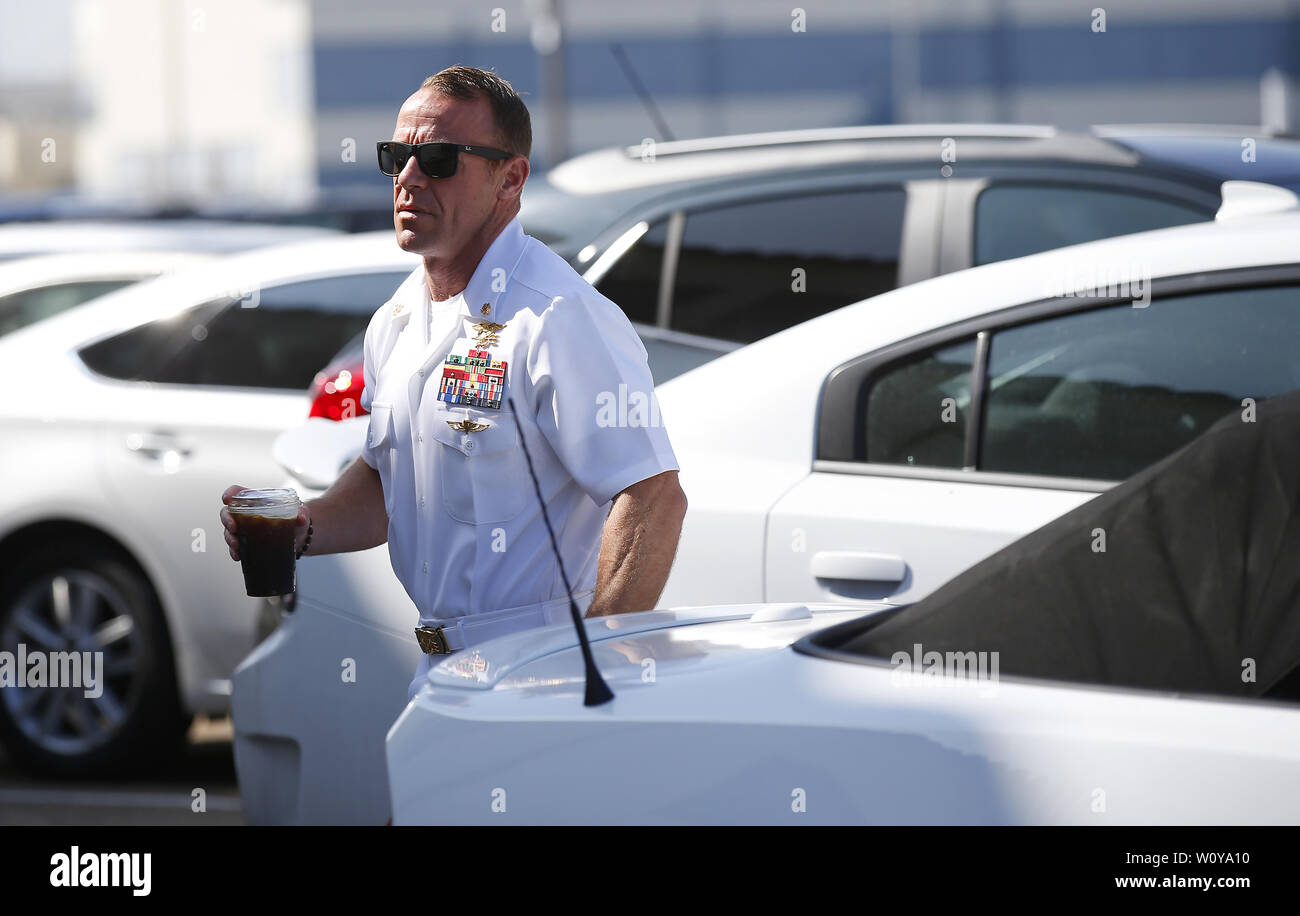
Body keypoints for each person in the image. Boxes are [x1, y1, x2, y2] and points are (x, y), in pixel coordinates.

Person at [220, 66, 687, 700]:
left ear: (510, 178)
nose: (408, 178)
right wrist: (300, 525)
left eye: (437, 159)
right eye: (397, 157)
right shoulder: (398, 320)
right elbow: (389, 480)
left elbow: (653, 497)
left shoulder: (558, 315)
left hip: (540, 670)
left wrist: (599, 665)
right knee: (407, 808)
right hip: (440, 667)